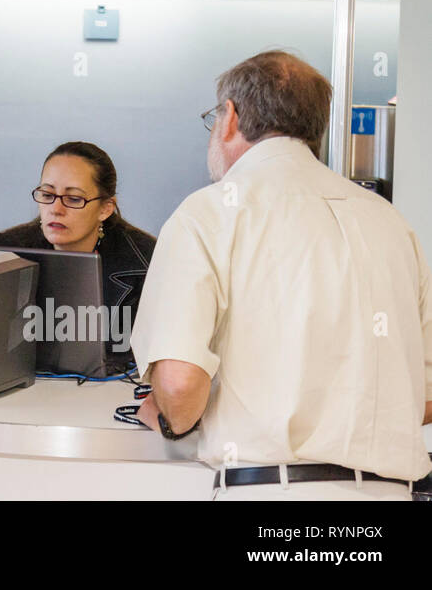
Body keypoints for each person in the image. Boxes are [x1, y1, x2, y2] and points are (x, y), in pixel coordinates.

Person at [132, 50, 432, 500]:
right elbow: (423, 397)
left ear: (229, 117)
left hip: (270, 493)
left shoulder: (208, 214)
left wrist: (169, 419)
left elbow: (178, 383)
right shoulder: (390, 222)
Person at [0, 141, 156, 366]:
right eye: (47, 195)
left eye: (74, 199)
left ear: (106, 208)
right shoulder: (9, 249)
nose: (56, 209)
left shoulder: (144, 259)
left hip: (109, 393)